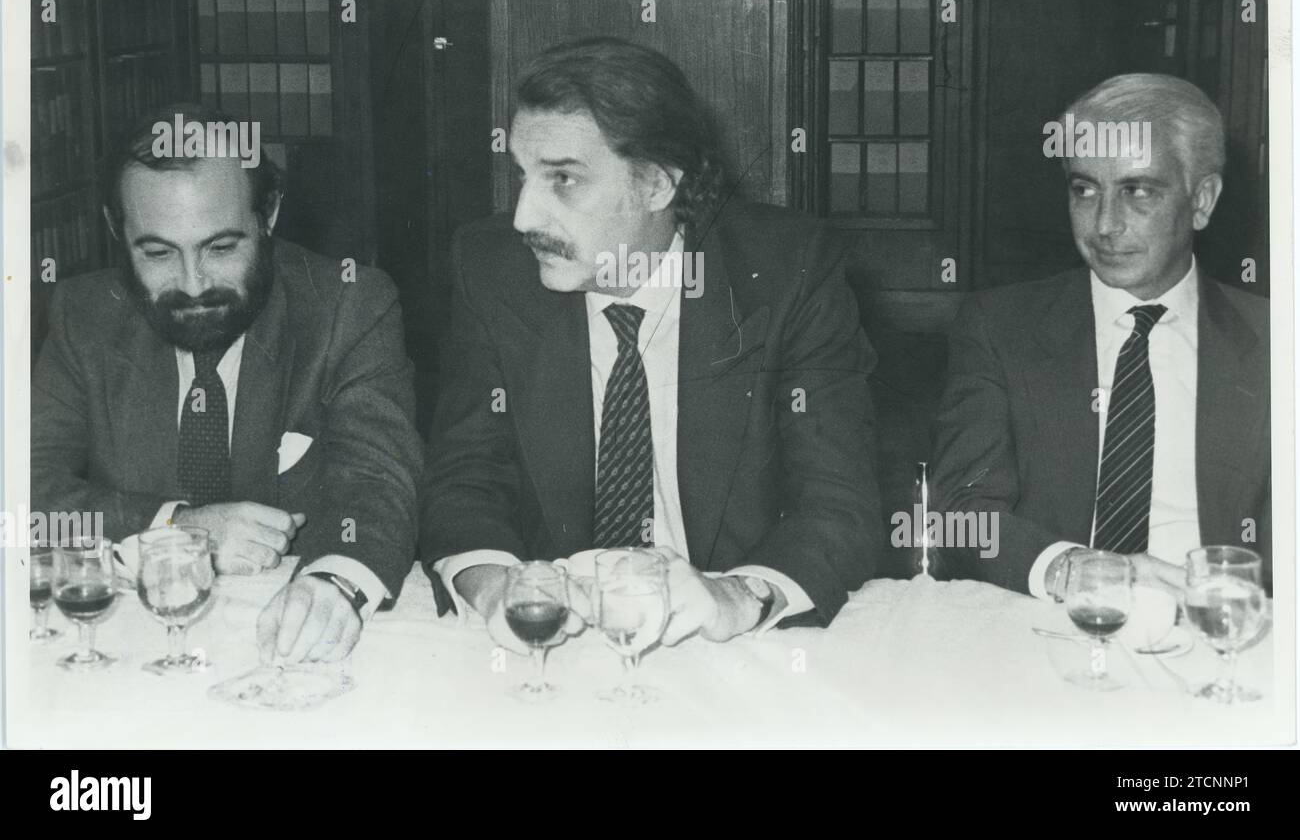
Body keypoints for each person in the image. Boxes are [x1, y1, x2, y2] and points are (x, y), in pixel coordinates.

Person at [419, 37, 882, 652]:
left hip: (733, 646)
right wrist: (494, 585)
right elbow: (463, 477)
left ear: (658, 185)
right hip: (562, 646)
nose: (524, 218)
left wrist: (740, 596)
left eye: (563, 179)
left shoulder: (787, 270)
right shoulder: (490, 269)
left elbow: (840, 503)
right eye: (523, 176)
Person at [31, 104, 421, 662]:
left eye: (220, 247)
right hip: (142, 643)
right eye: (159, 252)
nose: (193, 285)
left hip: (291, 636)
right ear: (117, 229)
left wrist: (336, 581)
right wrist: (175, 529)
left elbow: (379, 481)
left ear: (269, 215)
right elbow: (24, 492)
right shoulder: (83, 314)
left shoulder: (349, 305)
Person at [930, 73, 1270, 597]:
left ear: (1202, 200)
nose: (1105, 224)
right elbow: (958, 512)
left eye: (1138, 191)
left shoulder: (1275, 343)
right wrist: (1071, 570)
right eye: (1085, 189)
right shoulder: (1001, 327)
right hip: (1050, 622)